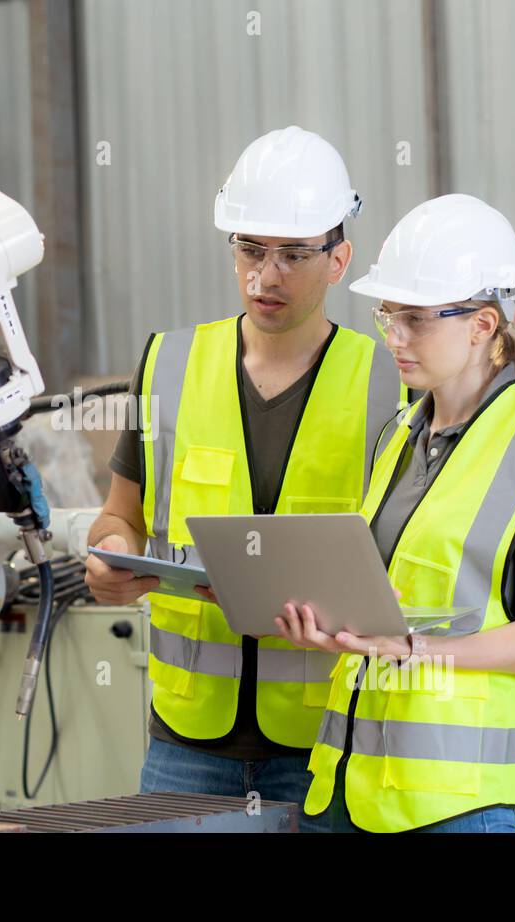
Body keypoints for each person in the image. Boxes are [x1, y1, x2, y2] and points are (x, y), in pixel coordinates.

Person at [84, 126, 404, 832]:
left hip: (326, 740)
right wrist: (106, 558)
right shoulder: (167, 363)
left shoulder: (388, 383)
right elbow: (120, 517)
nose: (268, 275)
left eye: (294, 254)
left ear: (339, 260)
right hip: (185, 739)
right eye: (252, 249)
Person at [275, 193, 515, 833]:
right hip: (352, 787)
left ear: (482, 325)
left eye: (416, 319)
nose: (394, 337)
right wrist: (332, 623)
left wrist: (408, 646)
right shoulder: (402, 434)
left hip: (459, 803)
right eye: (389, 315)